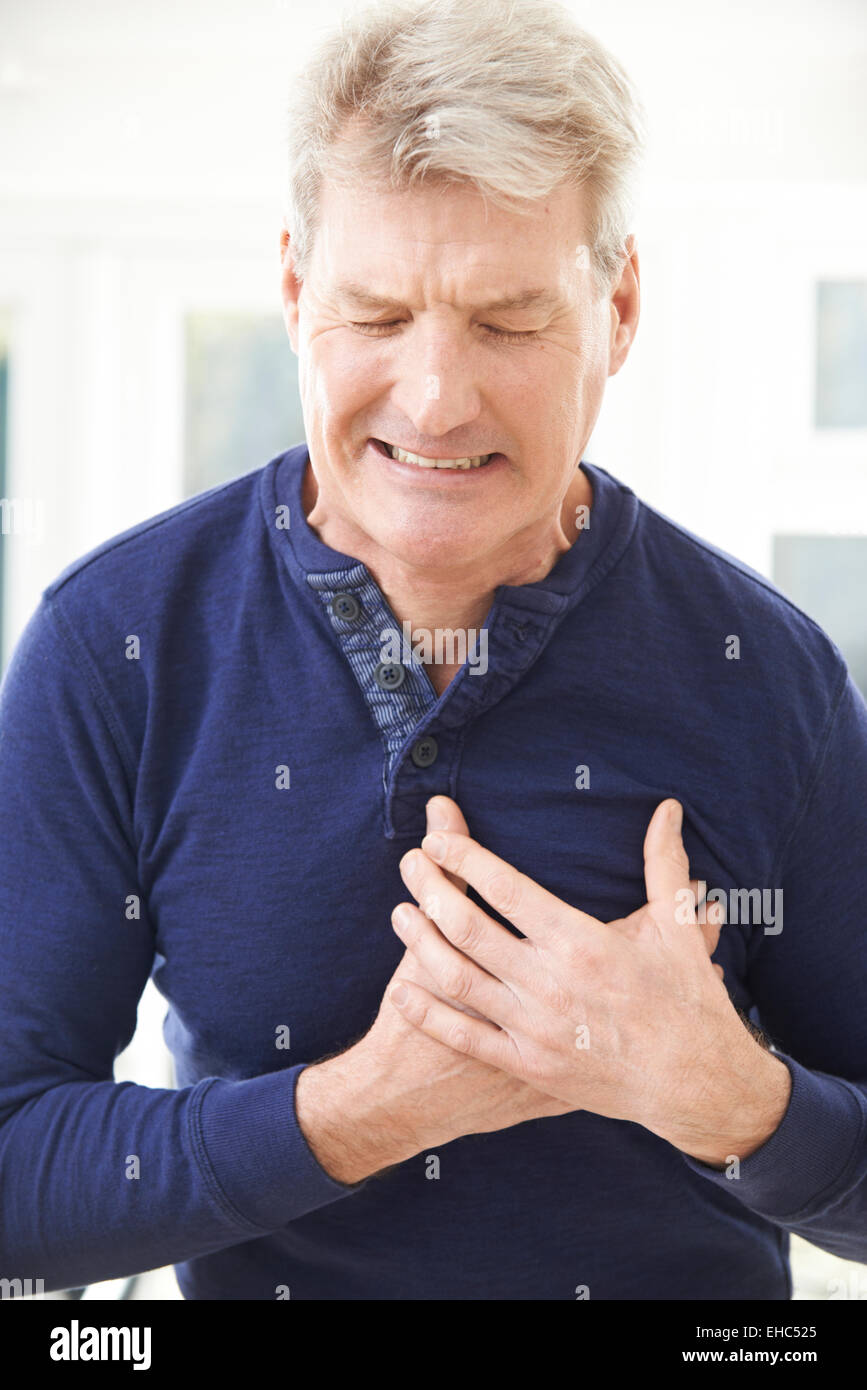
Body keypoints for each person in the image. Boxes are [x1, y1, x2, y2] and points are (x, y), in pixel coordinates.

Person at [1, 0, 866, 1301]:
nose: (436, 395)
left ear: (618, 307)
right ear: (295, 293)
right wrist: (358, 1111)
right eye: (377, 312)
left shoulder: (773, 674)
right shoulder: (114, 646)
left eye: (509, 320)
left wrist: (736, 1099)